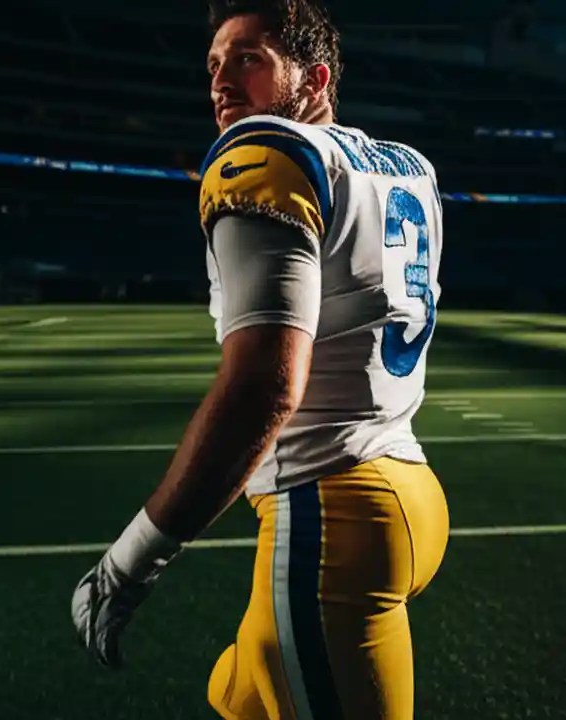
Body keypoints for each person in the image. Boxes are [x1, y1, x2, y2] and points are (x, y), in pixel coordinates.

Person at [72, 1, 449, 717]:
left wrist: (130, 561)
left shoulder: (265, 153)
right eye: (213, 64)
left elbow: (265, 389)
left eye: (248, 58)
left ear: (315, 79)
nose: (220, 81)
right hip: (410, 494)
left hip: (330, 515)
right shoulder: (410, 168)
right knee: (240, 699)